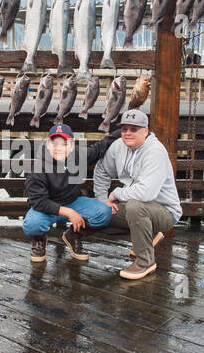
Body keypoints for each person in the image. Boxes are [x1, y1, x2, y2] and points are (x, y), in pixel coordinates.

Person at [93, 109, 183, 280]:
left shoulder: (155, 151)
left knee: (135, 207)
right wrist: (102, 200)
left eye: (134, 129)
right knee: (97, 213)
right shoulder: (118, 145)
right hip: (135, 205)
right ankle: (148, 236)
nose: (128, 133)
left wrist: (116, 193)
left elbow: (146, 192)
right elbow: (102, 170)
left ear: (145, 131)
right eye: (125, 129)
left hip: (165, 211)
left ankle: (145, 262)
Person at [22, 123, 118, 263]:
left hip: (73, 202)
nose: (59, 148)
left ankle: (73, 236)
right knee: (32, 224)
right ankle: (39, 240)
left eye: (64, 143)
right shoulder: (38, 167)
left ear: (72, 146)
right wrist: (69, 213)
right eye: (55, 143)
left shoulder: (78, 155)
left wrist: (124, 130)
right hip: (47, 208)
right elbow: (38, 201)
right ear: (48, 145)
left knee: (104, 212)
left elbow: (100, 147)